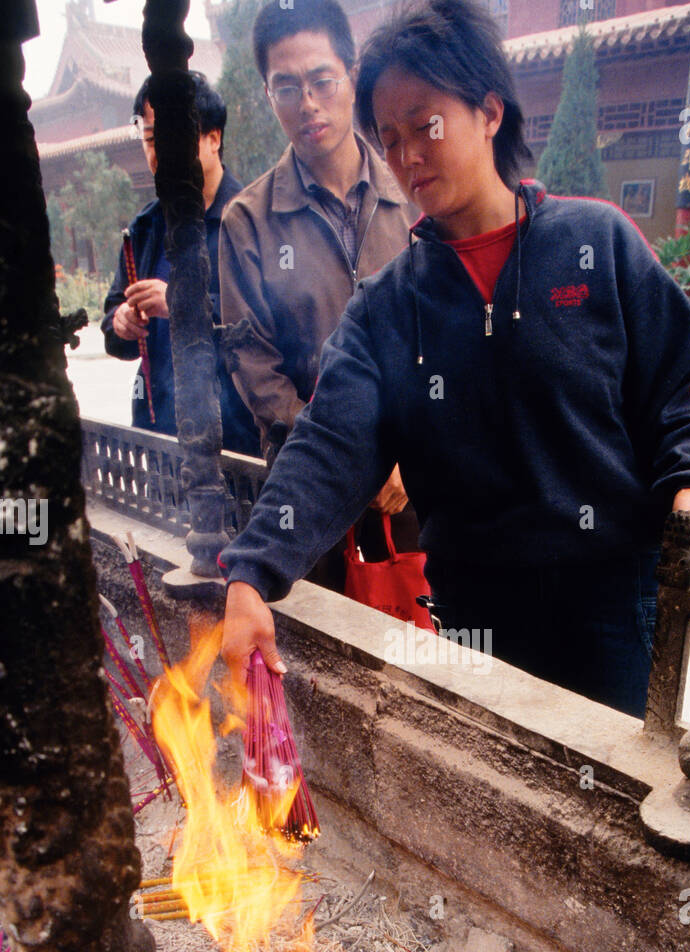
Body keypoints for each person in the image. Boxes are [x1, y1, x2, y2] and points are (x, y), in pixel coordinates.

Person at [220, 0, 690, 718]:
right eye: (387, 137)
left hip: (612, 601)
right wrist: (250, 572)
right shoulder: (388, 307)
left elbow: (678, 379)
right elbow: (328, 445)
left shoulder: (596, 243)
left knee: (609, 808)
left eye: (424, 124)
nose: (405, 156)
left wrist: (687, 484)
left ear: (488, 112)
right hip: (475, 616)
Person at [219, 0, 418, 587]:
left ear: (352, 74)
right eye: (285, 88)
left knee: (420, 653)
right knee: (322, 663)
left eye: (321, 80)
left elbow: (446, 337)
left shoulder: (410, 197)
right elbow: (253, 364)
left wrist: (405, 454)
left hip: (415, 485)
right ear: (267, 95)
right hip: (307, 497)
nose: (306, 103)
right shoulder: (248, 221)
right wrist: (348, 457)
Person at [102, 73, 260, 457]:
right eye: (152, 139)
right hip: (160, 441)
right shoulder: (145, 227)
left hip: (240, 442)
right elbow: (111, 321)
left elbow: (271, 327)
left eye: (177, 134)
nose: (162, 151)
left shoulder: (256, 221)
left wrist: (182, 303)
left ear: (213, 137)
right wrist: (121, 323)